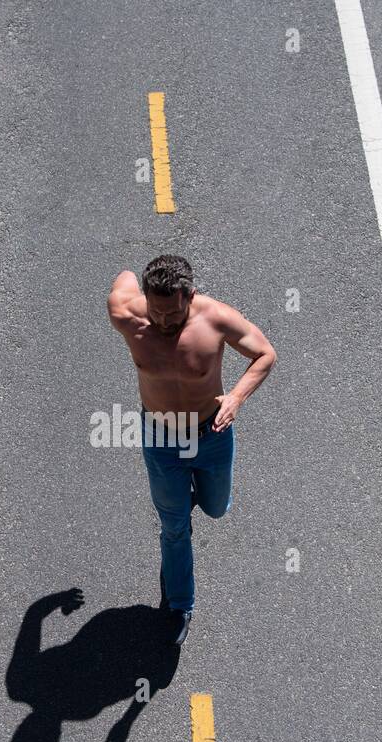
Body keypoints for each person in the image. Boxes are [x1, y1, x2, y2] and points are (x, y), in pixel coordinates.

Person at [107, 255, 276, 645]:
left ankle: (190, 504)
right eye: (157, 312)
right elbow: (123, 279)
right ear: (145, 297)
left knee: (216, 507)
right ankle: (180, 605)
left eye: (173, 314)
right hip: (162, 439)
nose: (163, 322)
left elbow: (265, 354)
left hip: (211, 434)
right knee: (174, 527)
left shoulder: (215, 319)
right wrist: (46, 609)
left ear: (191, 296)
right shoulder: (127, 314)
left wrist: (235, 398)